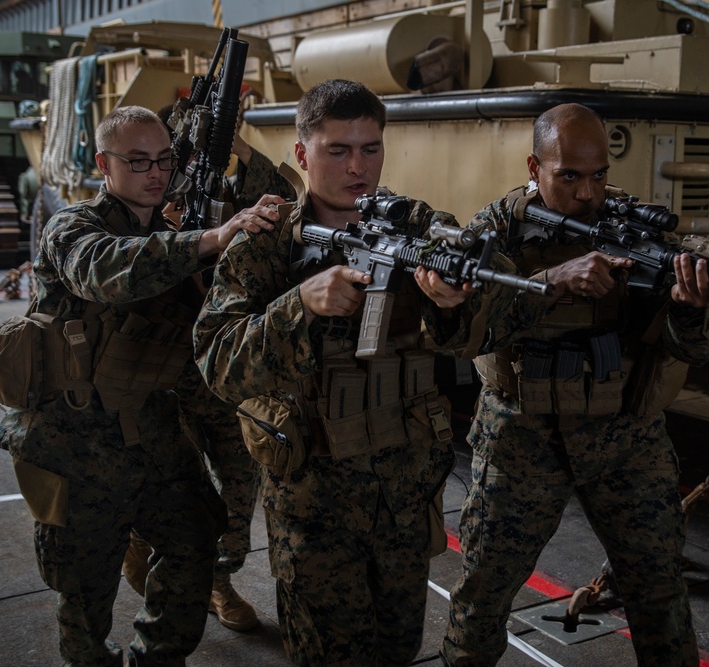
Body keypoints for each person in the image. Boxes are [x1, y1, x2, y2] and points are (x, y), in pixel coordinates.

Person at [192, 79, 543, 665]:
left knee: (397, 649)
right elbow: (217, 363)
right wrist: (297, 305)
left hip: (405, 497)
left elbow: (497, 311)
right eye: (338, 150)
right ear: (302, 154)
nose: (358, 167)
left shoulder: (414, 225)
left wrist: (456, 302)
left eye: (371, 148)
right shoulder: (264, 243)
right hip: (313, 503)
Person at [440, 103, 709, 667]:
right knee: (483, 595)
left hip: (624, 438)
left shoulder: (631, 227)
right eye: (568, 175)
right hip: (520, 439)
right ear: (535, 166)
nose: (587, 192)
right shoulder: (496, 228)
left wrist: (689, 309)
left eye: (598, 175)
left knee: (659, 592)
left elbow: (694, 349)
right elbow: (461, 334)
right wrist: (548, 282)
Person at [0, 105, 280, 665]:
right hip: (73, 439)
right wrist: (208, 238)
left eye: (165, 160)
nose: (154, 173)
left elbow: (260, 218)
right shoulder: (73, 227)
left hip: (151, 431)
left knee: (197, 537)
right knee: (83, 585)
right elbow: (104, 270)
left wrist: (236, 176)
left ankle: (158, 654)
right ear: (104, 163)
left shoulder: (175, 230)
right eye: (138, 160)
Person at [122, 106, 298, 633]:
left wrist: (237, 148)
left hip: (222, 386)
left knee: (240, 499)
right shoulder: (139, 212)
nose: (160, 170)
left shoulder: (218, 201)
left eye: (174, 157)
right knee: (179, 506)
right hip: (163, 389)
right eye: (151, 160)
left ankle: (219, 579)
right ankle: (151, 555)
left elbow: (282, 199)